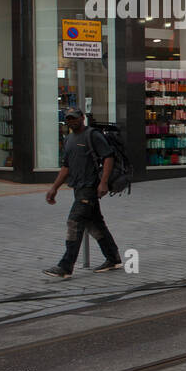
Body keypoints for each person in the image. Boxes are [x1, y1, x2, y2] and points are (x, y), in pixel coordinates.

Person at [43, 109, 123, 278]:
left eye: (74, 118)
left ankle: (65, 266)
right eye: (68, 119)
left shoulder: (92, 135)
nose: (71, 121)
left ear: (82, 118)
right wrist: (54, 188)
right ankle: (113, 258)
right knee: (95, 225)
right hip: (78, 188)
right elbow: (66, 167)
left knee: (75, 222)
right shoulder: (69, 139)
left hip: (90, 187)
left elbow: (108, 158)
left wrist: (103, 182)